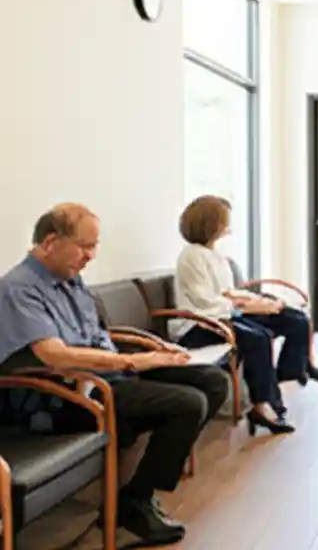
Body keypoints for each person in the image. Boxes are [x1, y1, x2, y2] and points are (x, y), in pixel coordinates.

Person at [0, 203, 228, 546]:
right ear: (49, 242)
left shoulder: (71, 279)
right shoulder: (19, 288)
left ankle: (134, 489)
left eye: (95, 245)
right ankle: (135, 500)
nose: (91, 255)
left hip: (103, 378)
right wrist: (133, 363)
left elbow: (96, 336)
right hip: (61, 396)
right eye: (85, 246)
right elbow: (55, 356)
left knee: (212, 381)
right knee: (186, 404)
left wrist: (152, 353)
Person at [172, 196, 318, 436]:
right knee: (258, 337)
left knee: (294, 318)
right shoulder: (191, 256)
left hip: (223, 315)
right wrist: (249, 308)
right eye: (224, 220)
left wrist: (261, 302)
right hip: (199, 324)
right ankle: (262, 405)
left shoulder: (215, 255)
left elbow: (227, 292)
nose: (228, 226)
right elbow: (205, 301)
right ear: (211, 223)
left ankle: (289, 372)